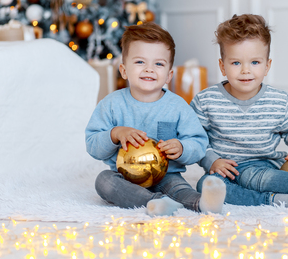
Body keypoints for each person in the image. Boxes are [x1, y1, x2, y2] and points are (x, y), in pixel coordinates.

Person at [191, 14, 288, 207]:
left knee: (254, 177)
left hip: (263, 167)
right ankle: (273, 200)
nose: (246, 70)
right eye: (236, 63)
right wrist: (212, 161)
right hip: (224, 170)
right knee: (205, 185)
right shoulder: (206, 100)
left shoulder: (278, 101)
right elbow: (195, 138)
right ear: (222, 66)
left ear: (267, 66)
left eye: (255, 62)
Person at [85, 22, 226, 216]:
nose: (149, 69)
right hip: (125, 176)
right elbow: (93, 146)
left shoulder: (177, 106)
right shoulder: (111, 104)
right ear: (124, 70)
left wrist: (182, 147)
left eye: (158, 63)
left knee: (180, 189)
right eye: (140, 62)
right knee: (104, 181)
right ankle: (156, 202)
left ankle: (202, 204)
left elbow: (199, 144)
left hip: (167, 176)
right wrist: (115, 134)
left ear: (168, 75)